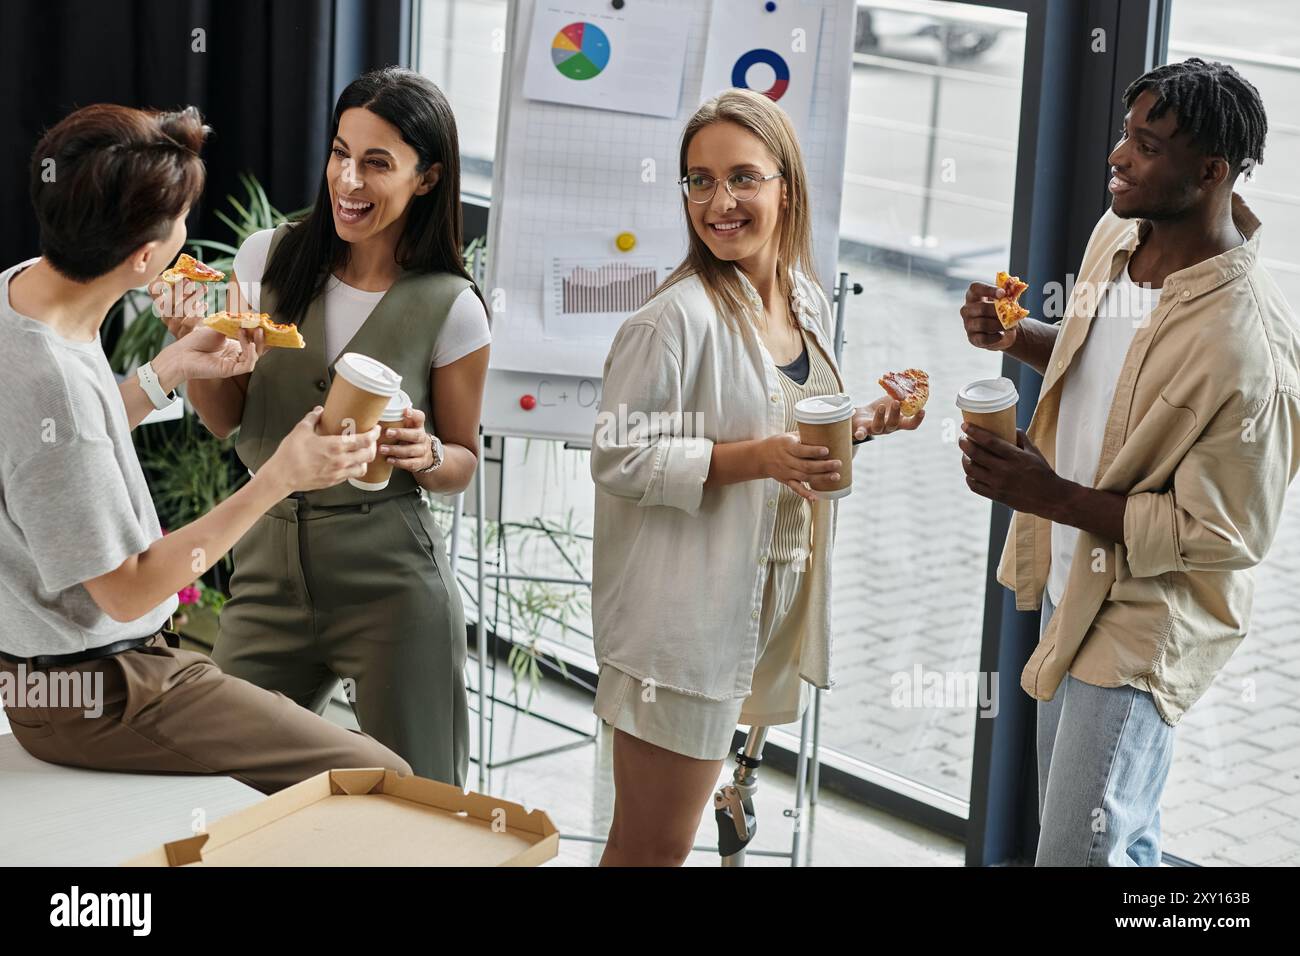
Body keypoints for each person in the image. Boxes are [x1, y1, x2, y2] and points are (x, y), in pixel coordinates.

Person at [0, 103, 411, 794]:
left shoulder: (20, 292)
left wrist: (168, 373)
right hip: (99, 692)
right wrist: (281, 475)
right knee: (382, 778)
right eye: (181, 221)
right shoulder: (56, 386)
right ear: (144, 258)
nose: (187, 233)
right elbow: (127, 591)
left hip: (67, 675)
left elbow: (45, 454)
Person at [958, 58, 1300, 865]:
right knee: (1108, 840)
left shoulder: (1246, 349)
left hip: (1146, 617)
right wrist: (1018, 337)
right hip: (1074, 579)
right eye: (1126, 133)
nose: (1118, 156)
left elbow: (1227, 536)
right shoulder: (1118, 234)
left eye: (1147, 145)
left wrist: (1051, 494)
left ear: (1210, 172)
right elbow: (1106, 366)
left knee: (1078, 850)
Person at [590, 89, 925, 867]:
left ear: (788, 187)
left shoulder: (802, 303)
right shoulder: (671, 322)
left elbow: (794, 436)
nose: (720, 201)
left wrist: (869, 419)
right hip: (682, 630)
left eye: (743, 178)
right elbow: (617, 455)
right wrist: (756, 458)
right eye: (699, 181)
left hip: (764, 606)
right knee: (650, 849)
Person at [159, 68, 490, 786]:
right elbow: (229, 421)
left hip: (391, 581)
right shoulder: (267, 258)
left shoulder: (452, 307)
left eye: (377, 162)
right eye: (341, 152)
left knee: (420, 794)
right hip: (267, 570)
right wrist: (199, 353)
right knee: (216, 780)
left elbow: (464, 460)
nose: (349, 178)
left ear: (427, 179)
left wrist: (429, 452)